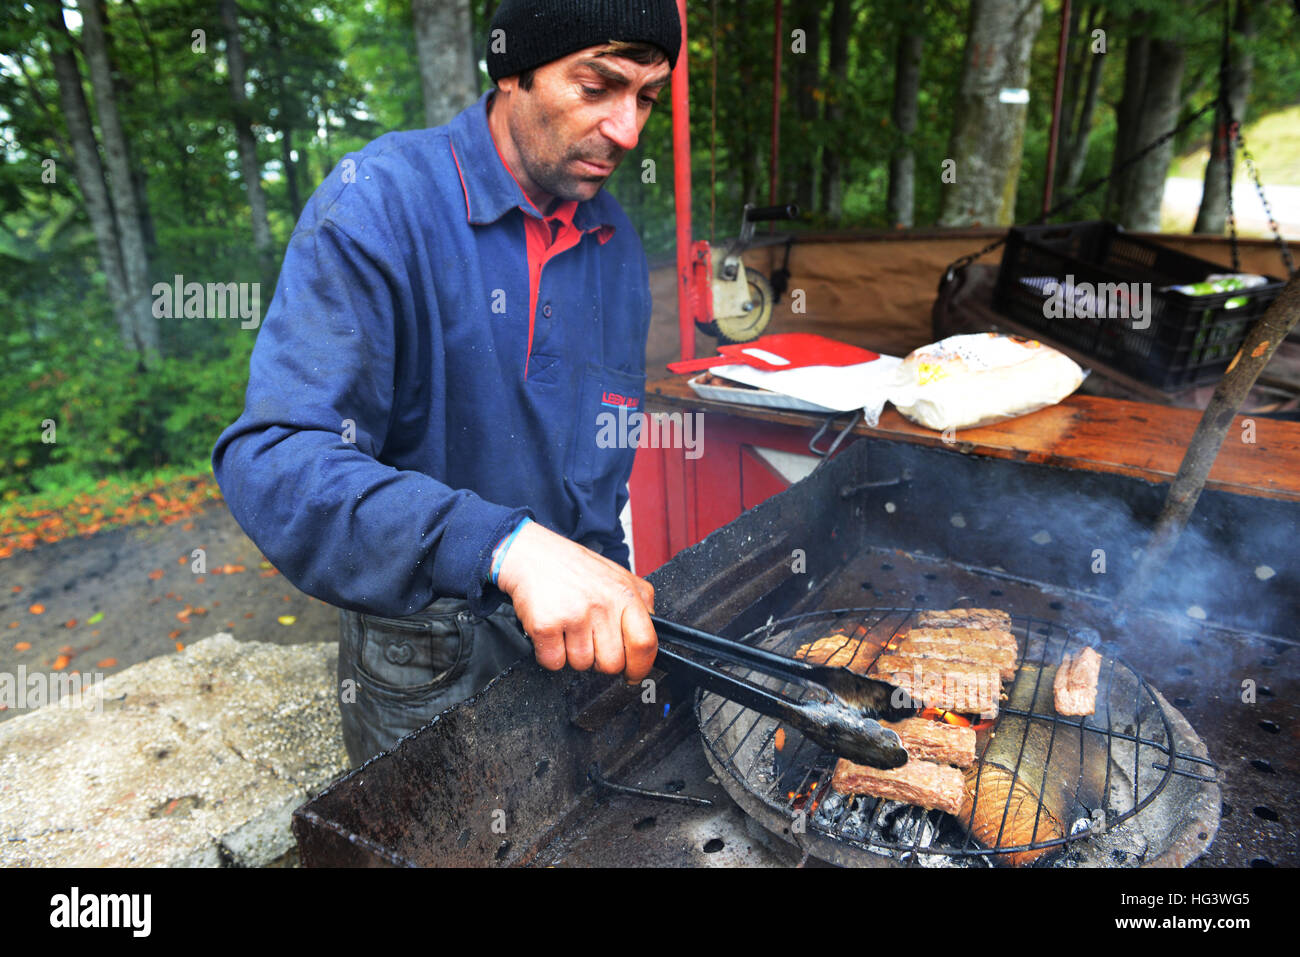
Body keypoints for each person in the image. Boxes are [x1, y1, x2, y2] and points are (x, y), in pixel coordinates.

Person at [212, 0, 681, 767]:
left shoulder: (614, 240)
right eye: (598, 86)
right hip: (419, 654)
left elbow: (604, 451)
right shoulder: (378, 203)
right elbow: (274, 458)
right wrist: (504, 546)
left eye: (647, 97)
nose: (628, 130)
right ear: (512, 70)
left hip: (567, 645)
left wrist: (602, 566)